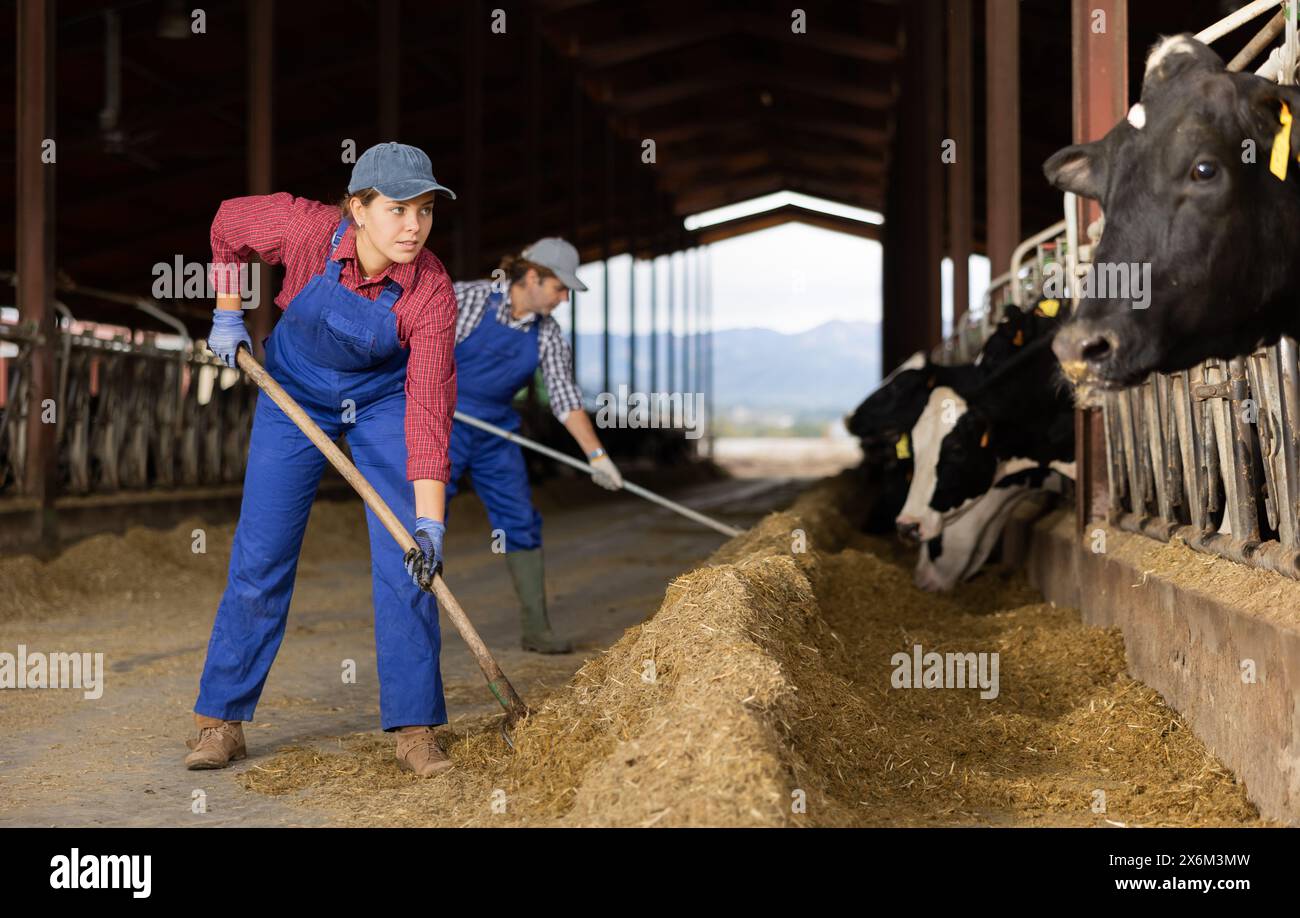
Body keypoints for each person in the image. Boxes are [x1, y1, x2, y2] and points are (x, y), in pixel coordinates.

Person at [186, 142, 460, 777]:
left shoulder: (432, 294)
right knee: (262, 553)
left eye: (424, 211)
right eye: (396, 210)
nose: (413, 226)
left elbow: (427, 410)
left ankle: (415, 729)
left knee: (408, 560)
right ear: (357, 209)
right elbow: (228, 222)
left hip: (382, 400)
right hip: (293, 393)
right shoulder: (306, 229)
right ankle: (221, 719)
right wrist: (228, 314)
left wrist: (430, 522)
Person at [450, 238, 621, 653]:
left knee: (520, 521)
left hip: (497, 435)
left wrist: (597, 456)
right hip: (443, 423)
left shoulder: (548, 334)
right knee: (423, 517)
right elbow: (412, 348)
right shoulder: (465, 299)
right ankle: (412, 624)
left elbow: (564, 397)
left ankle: (537, 629)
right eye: (560, 288)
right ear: (531, 276)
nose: (564, 298)